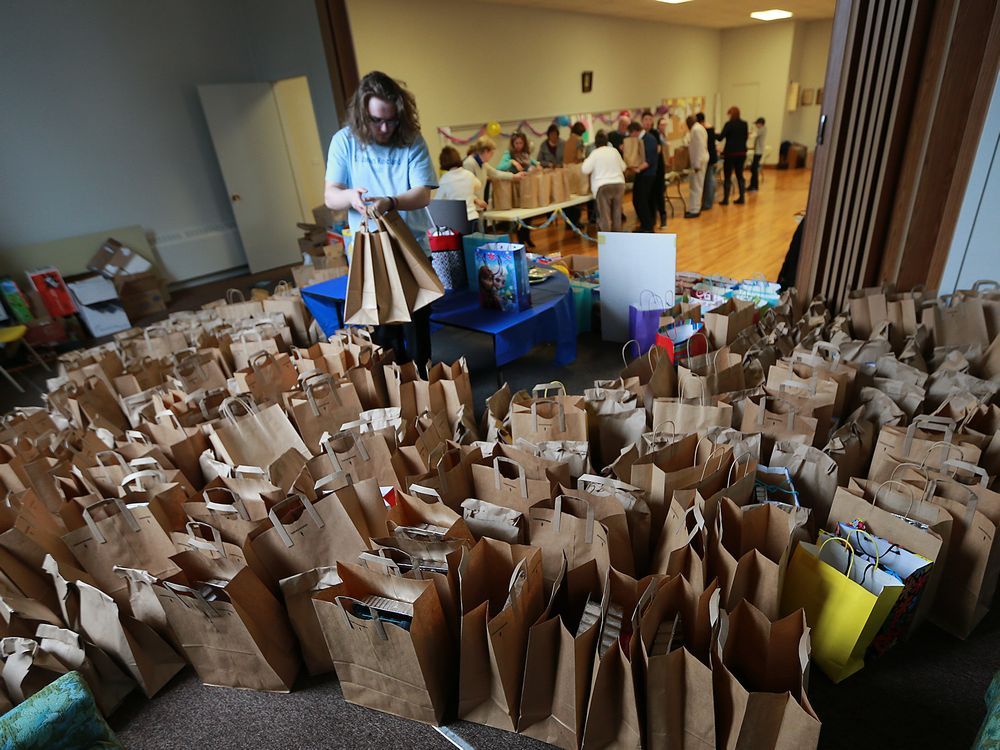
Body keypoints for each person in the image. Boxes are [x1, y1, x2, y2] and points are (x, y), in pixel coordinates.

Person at [324, 70, 437, 373]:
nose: (385, 128)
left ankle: (425, 389)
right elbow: (330, 196)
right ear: (363, 115)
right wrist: (350, 197)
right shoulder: (344, 142)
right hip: (367, 251)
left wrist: (392, 202)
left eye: (391, 120)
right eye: (377, 121)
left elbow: (423, 194)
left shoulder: (412, 140)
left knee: (416, 329)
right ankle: (394, 392)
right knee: (382, 331)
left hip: (410, 247)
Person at [498, 132, 539, 246]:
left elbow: (531, 162)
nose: (519, 145)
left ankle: (527, 237)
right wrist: (512, 162)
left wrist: (537, 164)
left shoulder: (525, 153)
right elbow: (499, 167)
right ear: (513, 143)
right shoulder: (508, 154)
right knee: (519, 217)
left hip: (526, 187)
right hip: (515, 189)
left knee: (529, 215)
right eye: (516, 143)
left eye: (521, 143)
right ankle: (520, 240)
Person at [581, 130, 626, 231]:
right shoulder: (614, 151)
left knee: (604, 216)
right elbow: (623, 167)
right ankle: (617, 238)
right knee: (617, 214)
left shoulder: (595, 153)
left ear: (595, 143)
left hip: (603, 186)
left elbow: (585, 169)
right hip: (619, 184)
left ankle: (607, 241)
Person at [462, 136, 520, 206]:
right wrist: (476, 200)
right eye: (491, 154)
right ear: (486, 151)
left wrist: (514, 176)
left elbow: (495, 173)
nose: (492, 156)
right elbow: (465, 188)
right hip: (470, 207)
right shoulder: (469, 163)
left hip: (479, 205)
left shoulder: (484, 164)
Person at [435, 146, 485, 223]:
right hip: (473, 217)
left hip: (456, 220)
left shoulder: (445, 179)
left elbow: (438, 201)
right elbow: (478, 185)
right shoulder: (469, 175)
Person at [631, 113, 660, 232]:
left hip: (648, 174)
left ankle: (648, 227)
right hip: (642, 174)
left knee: (641, 200)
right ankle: (645, 224)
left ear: (635, 131)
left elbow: (650, 159)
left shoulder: (649, 139)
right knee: (638, 200)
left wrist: (639, 168)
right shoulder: (641, 139)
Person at [716, 106, 749, 205]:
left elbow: (720, 138)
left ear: (731, 114)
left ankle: (726, 199)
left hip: (730, 153)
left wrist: (711, 133)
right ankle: (742, 198)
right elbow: (745, 137)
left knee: (727, 176)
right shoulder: (744, 124)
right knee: (740, 175)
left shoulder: (729, 124)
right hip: (742, 153)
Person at [683, 116, 707, 219]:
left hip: (699, 162)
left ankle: (695, 210)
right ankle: (695, 207)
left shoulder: (696, 130)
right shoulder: (699, 128)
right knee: (697, 186)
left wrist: (697, 164)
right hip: (701, 160)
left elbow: (699, 148)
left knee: (696, 187)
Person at [696, 112, 718, 211]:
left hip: (708, 157)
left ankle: (707, 203)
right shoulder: (711, 128)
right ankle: (709, 200)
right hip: (713, 156)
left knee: (708, 181)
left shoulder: (704, 130)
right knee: (711, 179)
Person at [653, 117, 669, 228]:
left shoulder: (663, 136)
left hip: (660, 169)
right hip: (654, 170)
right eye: (662, 124)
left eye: (665, 124)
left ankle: (663, 218)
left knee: (659, 194)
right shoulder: (656, 135)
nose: (663, 126)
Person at [749, 117, 767, 191]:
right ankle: (752, 185)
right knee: (753, 169)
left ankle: (754, 186)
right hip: (758, 151)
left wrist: (749, 133)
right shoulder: (763, 129)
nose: (756, 125)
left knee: (754, 169)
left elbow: (752, 136)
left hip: (758, 152)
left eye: (757, 124)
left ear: (760, 124)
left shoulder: (762, 130)